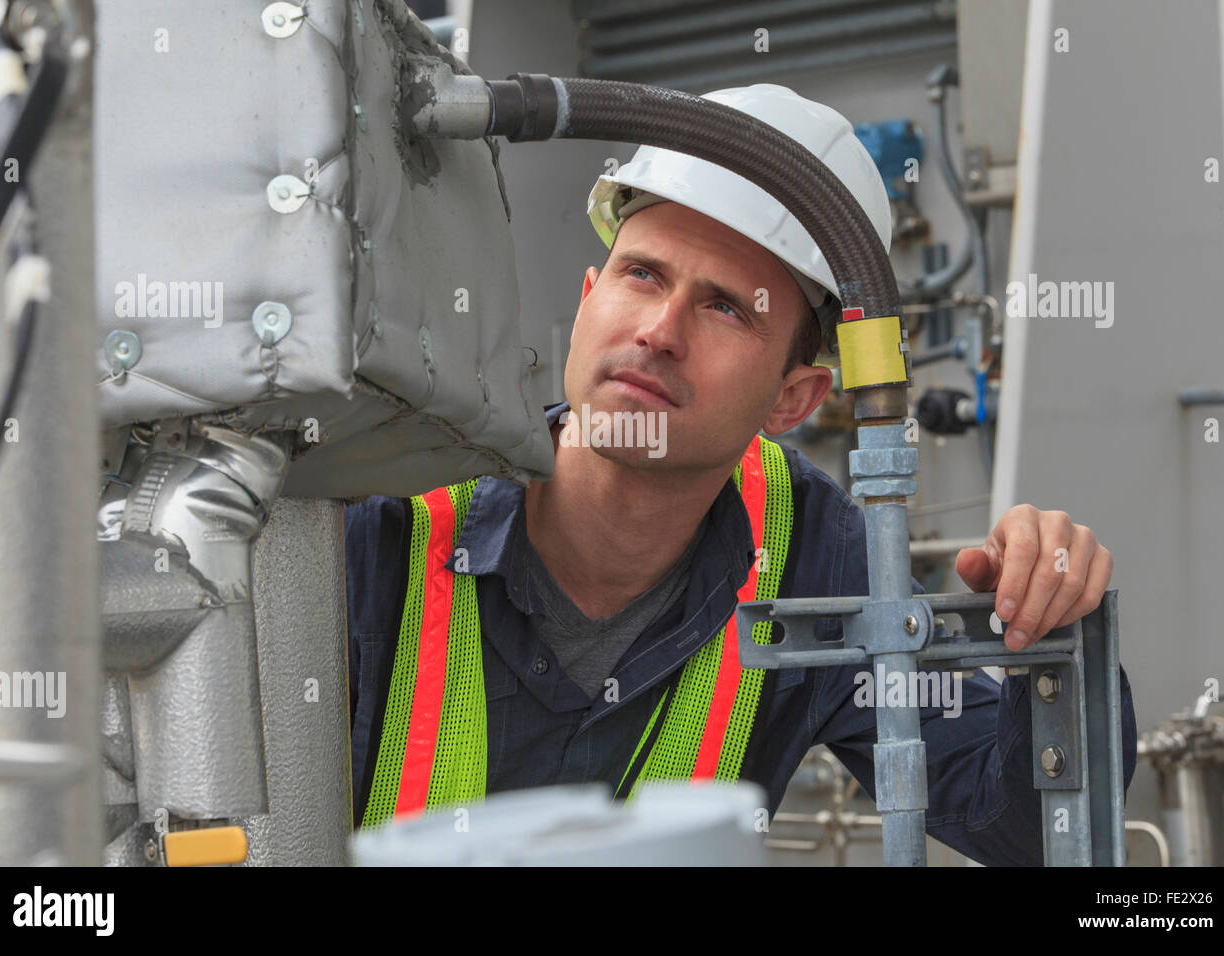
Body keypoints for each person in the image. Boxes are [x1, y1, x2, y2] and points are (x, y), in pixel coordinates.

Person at [345, 84, 1137, 866]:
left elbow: (1024, 831)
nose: (658, 332)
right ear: (588, 301)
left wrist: (1053, 633)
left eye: (726, 307)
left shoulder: (813, 554)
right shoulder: (385, 509)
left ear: (793, 399)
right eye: (643, 275)